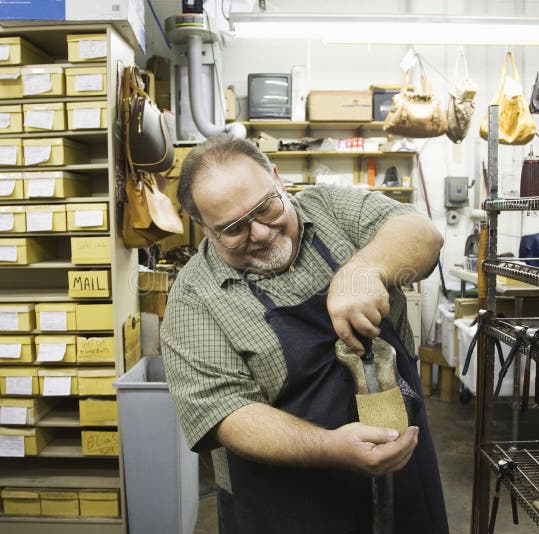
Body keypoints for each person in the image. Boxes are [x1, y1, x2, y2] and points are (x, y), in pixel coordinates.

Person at [161, 134, 449, 534]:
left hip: (402, 467)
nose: (261, 233)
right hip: (283, 501)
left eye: (266, 207)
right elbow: (223, 412)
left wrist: (367, 268)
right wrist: (330, 447)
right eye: (233, 228)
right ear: (203, 227)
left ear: (277, 178)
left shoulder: (329, 208)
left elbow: (423, 235)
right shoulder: (194, 298)